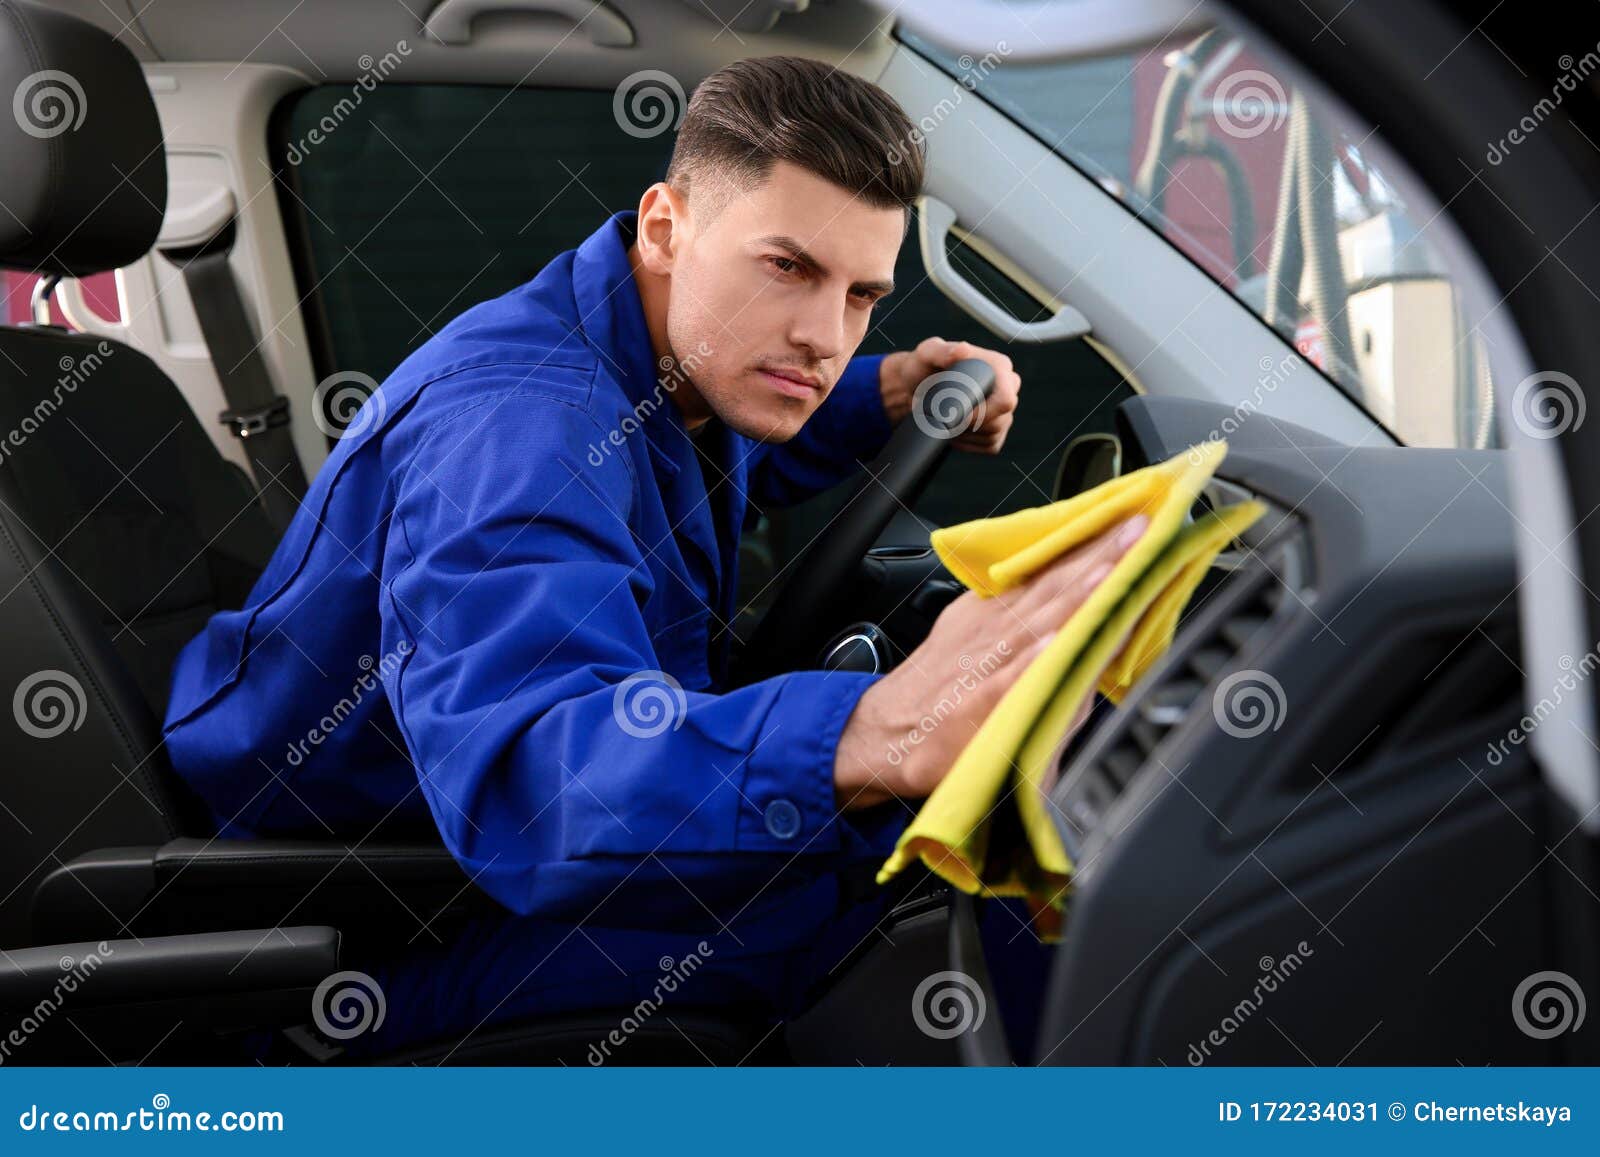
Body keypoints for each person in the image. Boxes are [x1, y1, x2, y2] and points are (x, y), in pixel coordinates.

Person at [163, 55, 1142, 1056]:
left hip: (454, 860)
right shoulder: (519, 425)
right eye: (788, 267)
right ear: (669, 225)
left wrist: (886, 394)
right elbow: (537, 776)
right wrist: (874, 729)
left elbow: (712, 451)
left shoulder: (659, 359)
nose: (822, 335)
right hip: (367, 921)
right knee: (910, 894)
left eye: (860, 295)